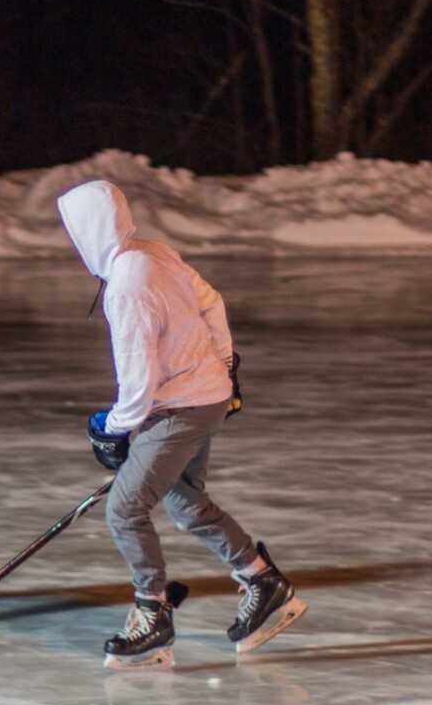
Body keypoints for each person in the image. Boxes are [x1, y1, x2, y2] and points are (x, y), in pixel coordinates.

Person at [56, 179, 306, 670]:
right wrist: (225, 366)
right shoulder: (154, 252)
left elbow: (137, 379)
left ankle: (152, 618)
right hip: (205, 397)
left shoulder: (126, 286)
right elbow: (212, 301)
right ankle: (263, 582)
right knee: (183, 498)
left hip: (179, 408)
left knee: (125, 510)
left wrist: (114, 429)